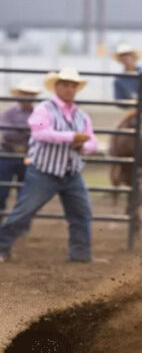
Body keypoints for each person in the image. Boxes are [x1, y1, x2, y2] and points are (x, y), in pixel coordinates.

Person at [0, 68, 98, 263]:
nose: (70, 89)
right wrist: (72, 137)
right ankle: (1, 246)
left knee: (81, 214)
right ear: (57, 87)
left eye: (73, 86)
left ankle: (81, 255)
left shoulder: (82, 116)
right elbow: (40, 133)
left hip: (72, 172)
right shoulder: (43, 109)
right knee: (24, 212)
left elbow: (92, 143)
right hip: (44, 172)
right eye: (66, 85)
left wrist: (83, 145)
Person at [0, 80, 41, 217]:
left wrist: (20, 130)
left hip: (28, 155)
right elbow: (7, 133)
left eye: (31, 94)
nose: (28, 97)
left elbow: (40, 133)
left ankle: (19, 223)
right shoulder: (8, 113)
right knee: (2, 190)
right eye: (25, 94)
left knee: (25, 193)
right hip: (8, 154)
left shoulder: (39, 114)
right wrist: (30, 130)